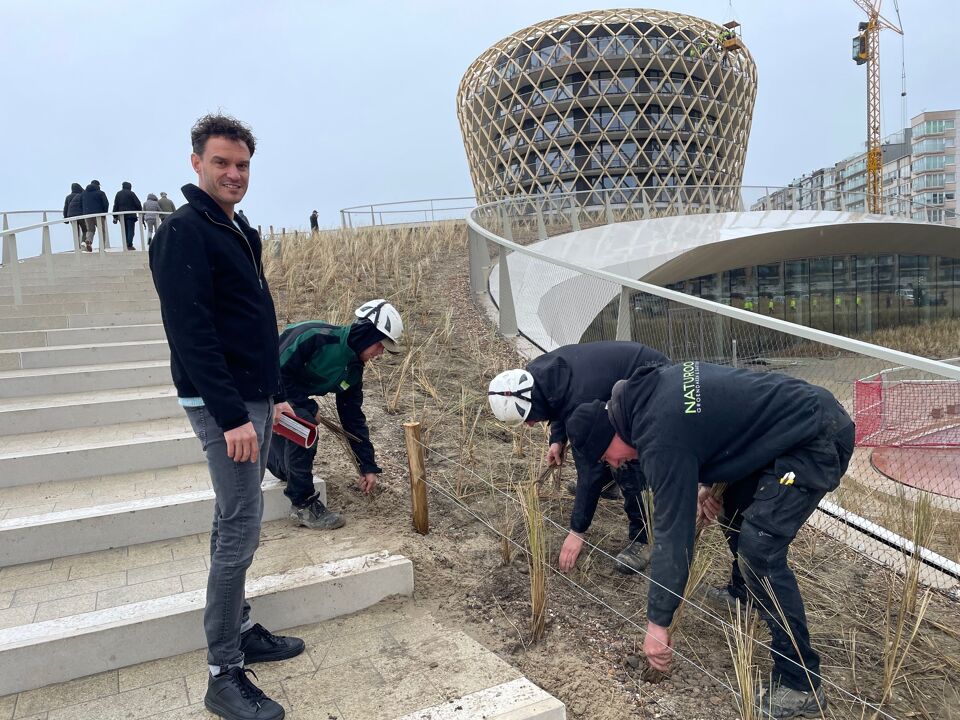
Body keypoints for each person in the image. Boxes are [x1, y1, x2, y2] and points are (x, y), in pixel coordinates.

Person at [566, 362, 854, 720]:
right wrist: (704, 483)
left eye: (607, 457)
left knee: (759, 550)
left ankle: (802, 684)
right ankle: (744, 595)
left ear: (608, 437)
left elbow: (673, 534)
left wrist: (658, 623)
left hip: (815, 438)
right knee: (734, 508)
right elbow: (713, 426)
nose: (615, 464)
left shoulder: (657, 437)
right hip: (788, 429)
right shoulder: (647, 398)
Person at [149, 113, 302, 720]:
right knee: (241, 527)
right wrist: (234, 413)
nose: (234, 174)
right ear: (196, 163)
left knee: (231, 516)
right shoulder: (185, 232)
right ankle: (222, 672)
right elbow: (192, 334)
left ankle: (237, 629)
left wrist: (275, 391)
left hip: (253, 397)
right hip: (226, 407)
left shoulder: (235, 229)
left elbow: (253, 322)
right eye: (222, 163)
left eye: (242, 165)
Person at [487, 341, 669, 574]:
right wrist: (558, 439)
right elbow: (558, 402)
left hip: (652, 380)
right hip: (616, 379)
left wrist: (577, 531)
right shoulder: (539, 375)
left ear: (531, 401)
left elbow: (589, 472)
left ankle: (644, 537)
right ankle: (611, 483)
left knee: (627, 460)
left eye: (529, 417)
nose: (531, 424)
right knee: (606, 445)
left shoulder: (580, 398)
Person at [267, 300, 403, 528]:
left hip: (285, 406)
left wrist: (367, 466)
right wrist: (310, 408)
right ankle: (304, 505)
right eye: (380, 345)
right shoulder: (312, 336)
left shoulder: (353, 370)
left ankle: (270, 453)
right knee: (305, 424)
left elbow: (353, 419)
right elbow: (273, 372)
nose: (380, 353)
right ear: (368, 334)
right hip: (262, 392)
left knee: (285, 469)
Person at [80, 180, 109, 251]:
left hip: (87, 215)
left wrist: (84, 212)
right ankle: (102, 248)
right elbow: (106, 203)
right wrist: (104, 213)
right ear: (98, 185)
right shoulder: (101, 193)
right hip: (99, 215)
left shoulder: (83, 193)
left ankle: (88, 241)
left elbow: (81, 204)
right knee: (101, 231)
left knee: (90, 229)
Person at [113, 181, 142, 250]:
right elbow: (138, 203)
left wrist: (115, 216)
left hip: (122, 215)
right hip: (131, 215)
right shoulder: (131, 194)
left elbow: (116, 205)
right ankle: (129, 244)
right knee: (130, 230)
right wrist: (140, 211)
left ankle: (126, 243)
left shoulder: (118, 194)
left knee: (125, 230)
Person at [63, 183, 86, 248]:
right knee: (85, 230)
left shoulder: (68, 197)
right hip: (81, 215)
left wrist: (65, 218)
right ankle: (83, 243)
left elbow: (66, 208)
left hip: (71, 216)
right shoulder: (82, 195)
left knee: (76, 231)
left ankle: (77, 246)